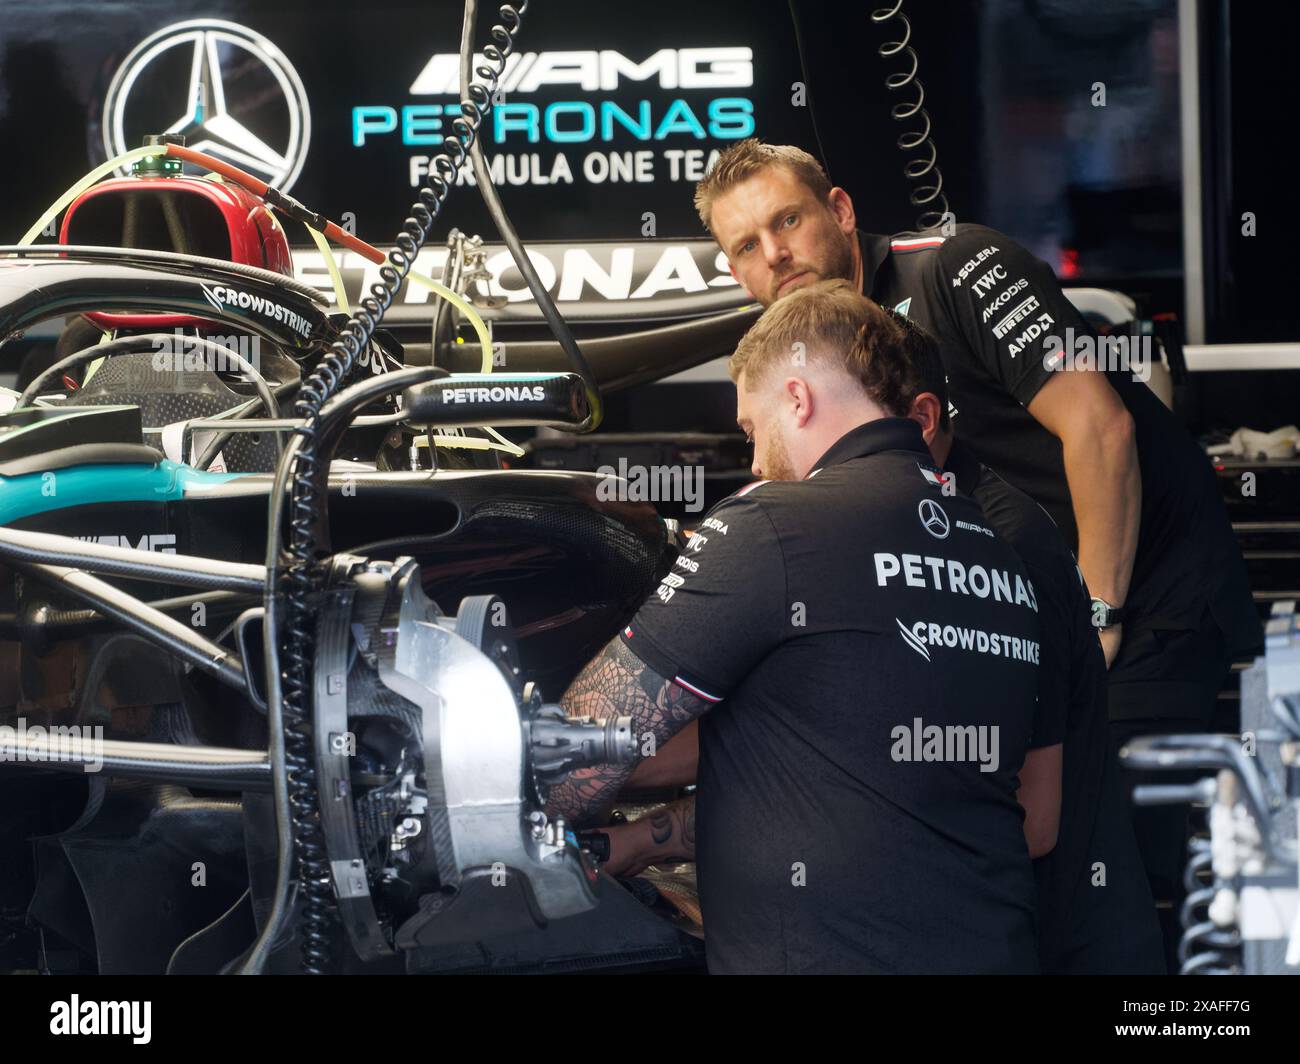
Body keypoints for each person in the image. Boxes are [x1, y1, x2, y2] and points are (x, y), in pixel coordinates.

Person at [692, 139, 1262, 941]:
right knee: (1017, 853)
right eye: (745, 245)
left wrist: (1098, 618)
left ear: (842, 212)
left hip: (1146, 596)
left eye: (787, 220)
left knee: (1109, 869)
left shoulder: (958, 266)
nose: (776, 255)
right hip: (1024, 617)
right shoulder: (812, 359)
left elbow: (1101, 428)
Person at [603, 312, 1166, 974]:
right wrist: (647, 837)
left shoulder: (781, 527)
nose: (754, 463)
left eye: (753, 433)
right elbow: (831, 755)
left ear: (796, 398)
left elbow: (600, 744)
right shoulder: (994, 547)